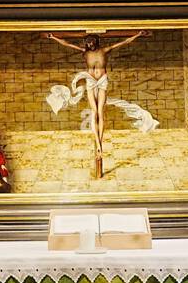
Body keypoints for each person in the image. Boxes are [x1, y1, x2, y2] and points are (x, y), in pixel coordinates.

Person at [42, 30, 150, 179]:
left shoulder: (104, 50)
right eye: (87, 42)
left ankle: (100, 143)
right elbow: (68, 44)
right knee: (94, 112)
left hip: (102, 81)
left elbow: (124, 42)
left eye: (91, 41)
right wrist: (53, 37)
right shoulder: (84, 52)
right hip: (91, 81)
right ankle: (99, 145)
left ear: (96, 42)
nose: (89, 44)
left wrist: (138, 35)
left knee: (100, 112)